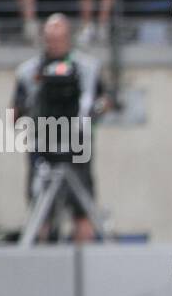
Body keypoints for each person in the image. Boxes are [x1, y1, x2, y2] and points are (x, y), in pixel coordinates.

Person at [12, 14, 110, 242]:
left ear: (69, 39)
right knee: (41, 216)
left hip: (77, 148)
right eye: (50, 40)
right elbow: (13, 111)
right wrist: (30, 109)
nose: (55, 45)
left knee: (82, 214)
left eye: (60, 39)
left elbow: (104, 101)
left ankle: (82, 269)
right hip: (42, 147)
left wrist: (94, 112)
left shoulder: (87, 68)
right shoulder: (29, 72)